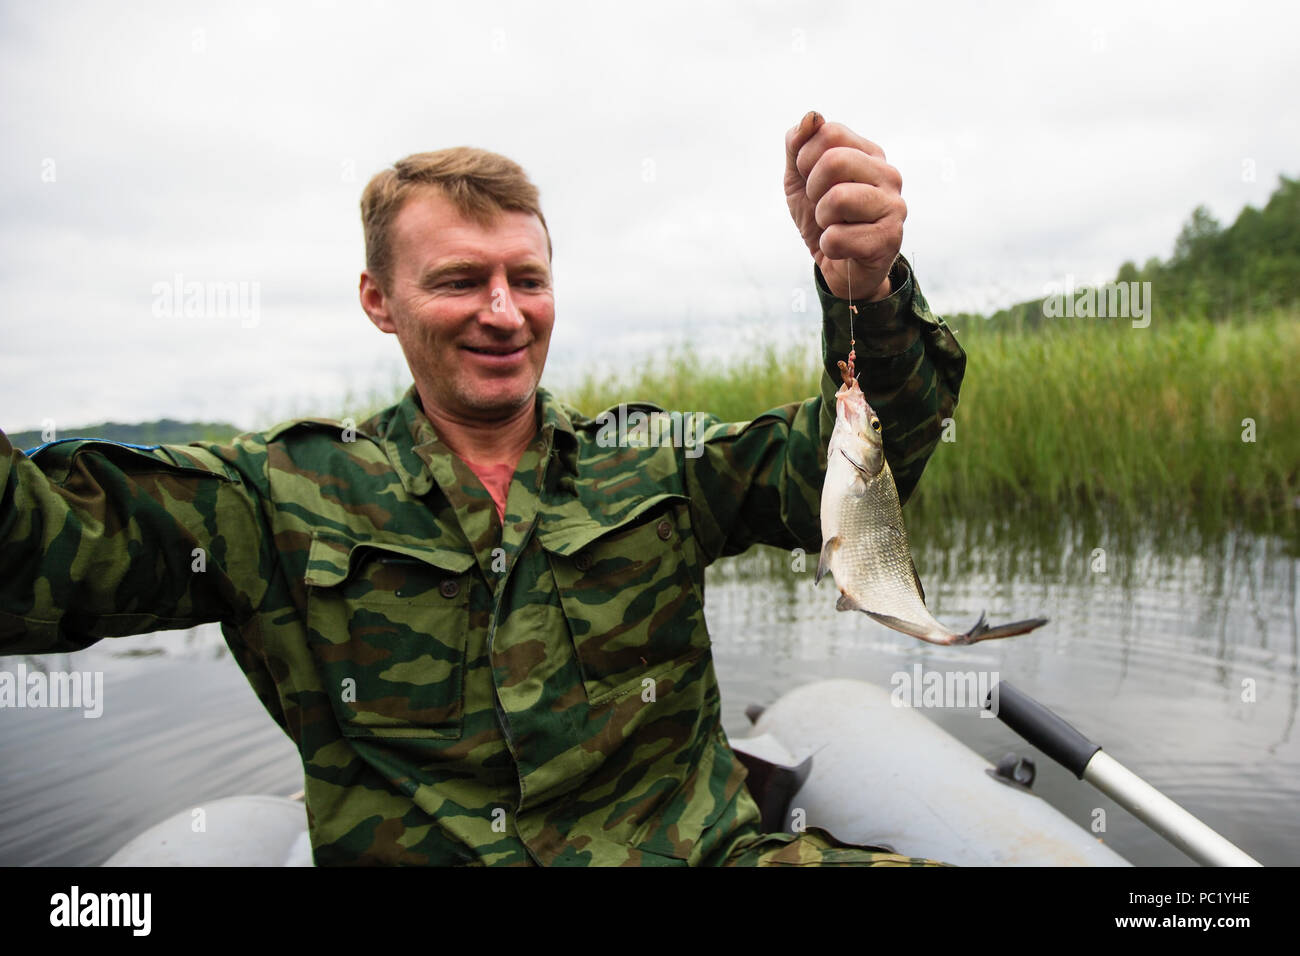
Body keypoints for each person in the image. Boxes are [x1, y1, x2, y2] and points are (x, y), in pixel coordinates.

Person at [0, 111, 966, 865]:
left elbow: (845, 469)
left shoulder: (660, 459)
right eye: (461, 279)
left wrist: (867, 294)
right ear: (379, 299)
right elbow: (36, 553)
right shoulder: (273, 494)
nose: (504, 314)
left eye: (527, 279)